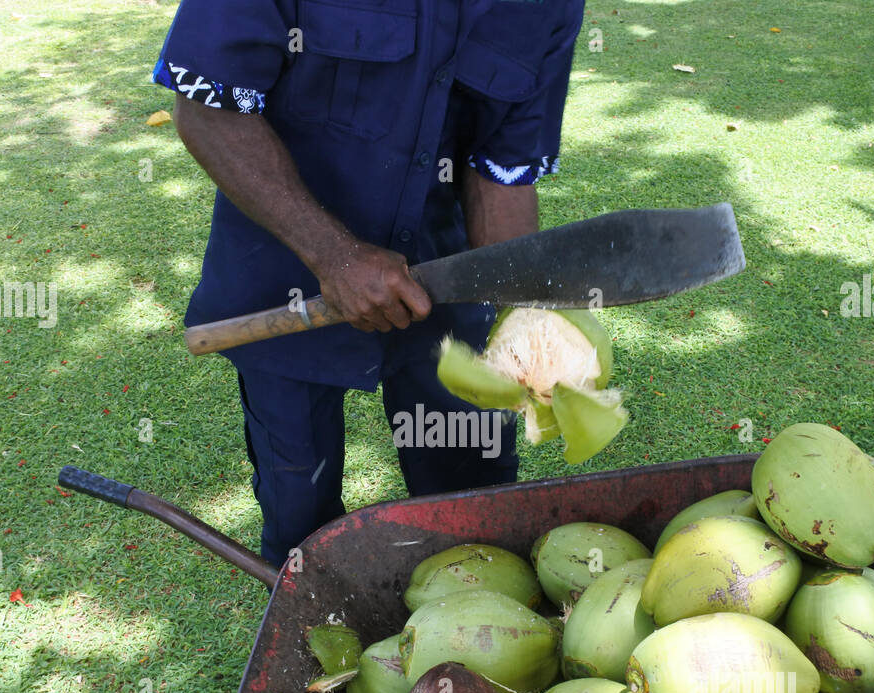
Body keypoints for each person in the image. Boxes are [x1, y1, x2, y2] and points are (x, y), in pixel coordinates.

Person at [153, 0, 586, 567]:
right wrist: (335, 256)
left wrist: (520, 312)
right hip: (286, 284)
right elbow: (207, 106)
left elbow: (500, 167)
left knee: (472, 509)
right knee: (300, 519)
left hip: (440, 287)